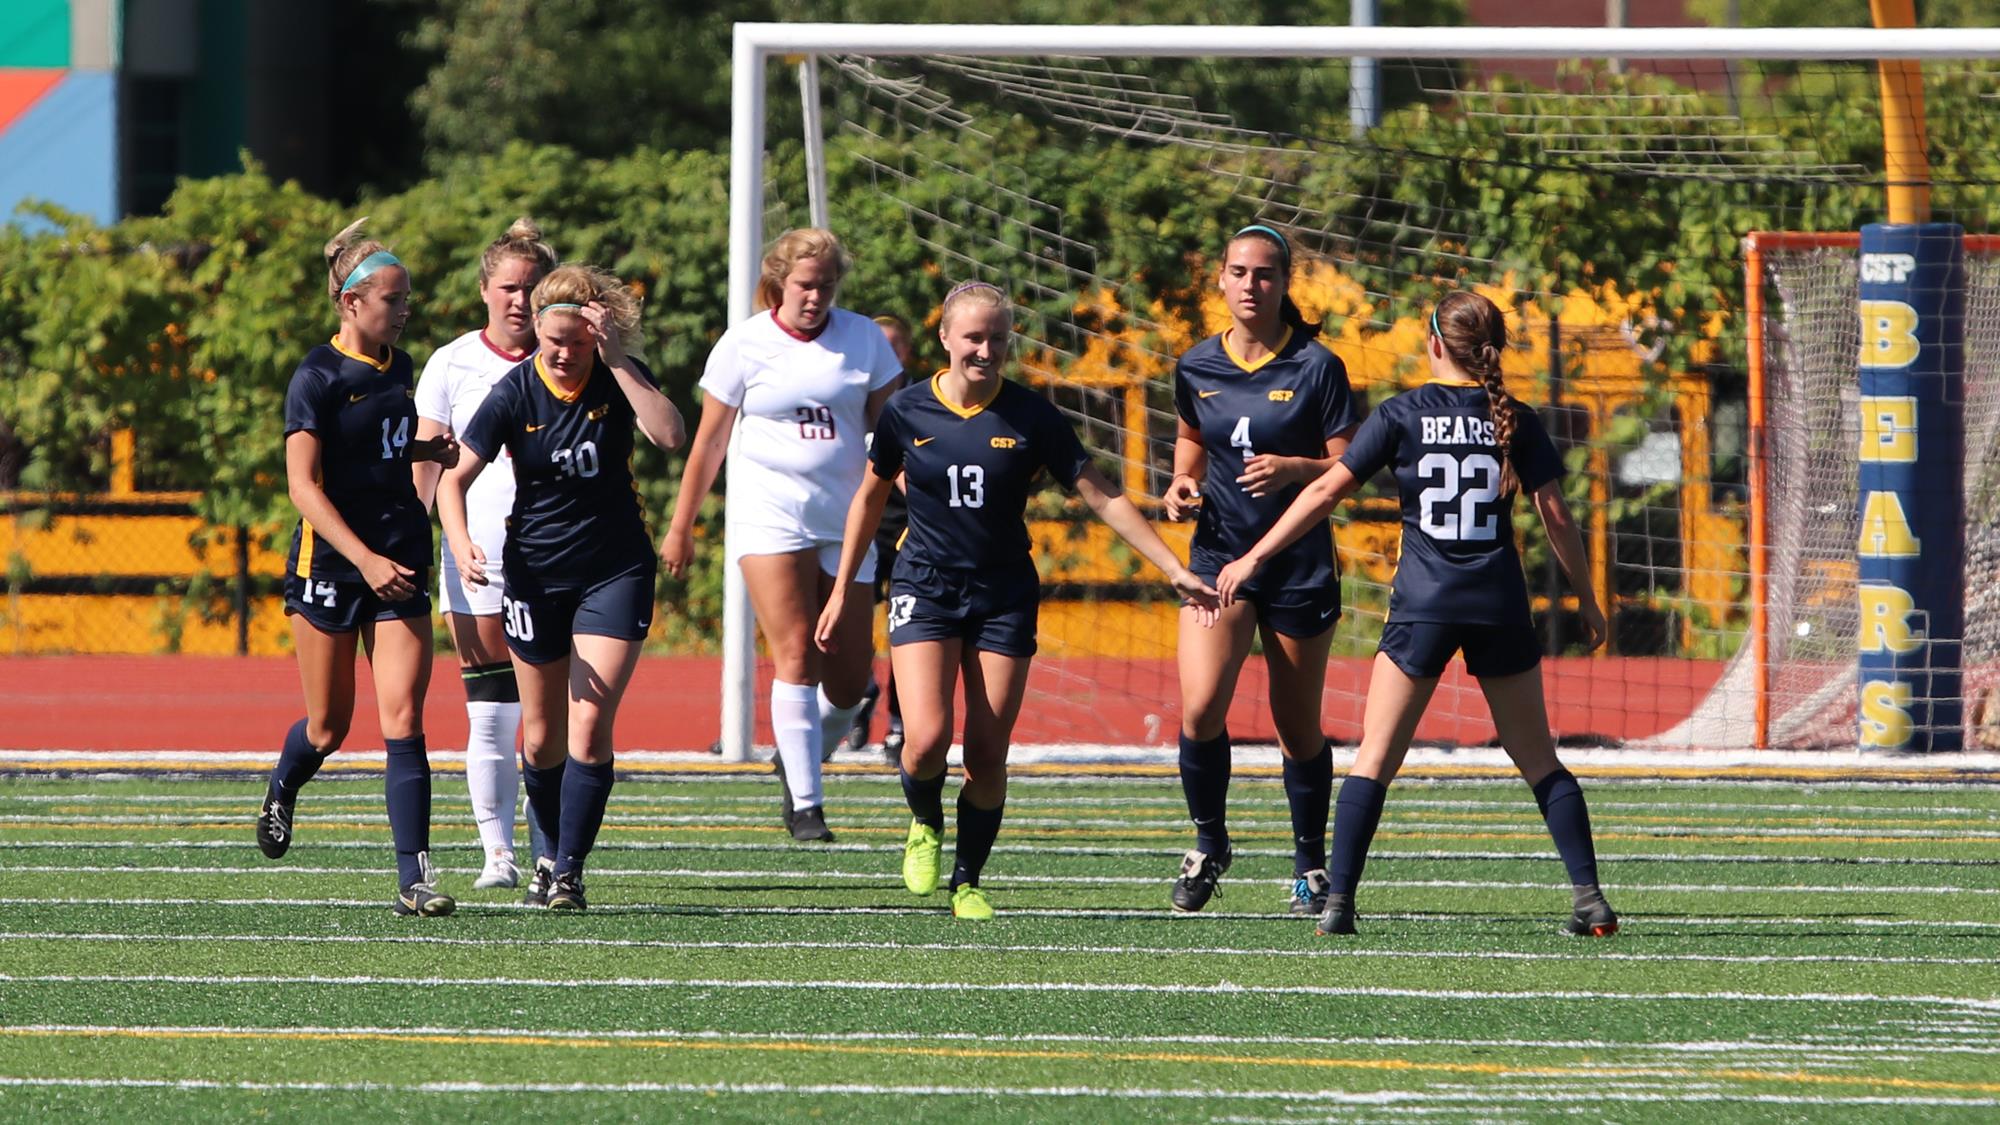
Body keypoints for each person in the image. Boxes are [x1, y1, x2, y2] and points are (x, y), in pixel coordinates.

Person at [1215, 289, 1617, 938]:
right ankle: (1590, 897)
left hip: (1424, 604)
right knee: (1540, 759)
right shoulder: (1514, 414)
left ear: (1433, 343)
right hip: (1498, 603)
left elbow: (1324, 490)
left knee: (1374, 757)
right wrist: (1589, 598)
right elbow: (1559, 518)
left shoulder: (1402, 412)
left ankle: (1338, 903)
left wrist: (1255, 555)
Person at [816, 281, 1219, 920]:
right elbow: (868, 497)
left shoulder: (1031, 415)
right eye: (972, 337)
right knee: (923, 741)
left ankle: (967, 882)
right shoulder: (906, 411)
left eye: (997, 338)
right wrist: (844, 589)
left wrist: (1172, 566)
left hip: (1002, 594)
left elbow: (1101, 493)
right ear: (945, 337)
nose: (985, 350)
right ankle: (925, 820)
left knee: (986, 752)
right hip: (925, 585)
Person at [438, 265, 685, 911]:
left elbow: (669, 434)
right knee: (542, 736)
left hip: (615, 568)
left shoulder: (615, 373)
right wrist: (461, 539)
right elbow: (452, 478)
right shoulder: (515, 390)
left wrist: (619, 360)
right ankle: (546, 853)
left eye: (578, 341)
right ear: (537, 336)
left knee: (589, 722)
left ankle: (567, 870)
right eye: (555, 342)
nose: (565, 353)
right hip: (534, 573)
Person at [661, 229, 901, 843]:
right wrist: (681, 525)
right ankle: (805, 804)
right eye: (804, 285)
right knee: (796, 651)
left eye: (825, 285)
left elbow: (891, 432)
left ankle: (795, 755)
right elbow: (710, 441)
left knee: (850, 680)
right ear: (778, 282)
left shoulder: (864, 340)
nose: (815, 296)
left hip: (846, 520)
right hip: (770, 515)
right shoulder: (745, 344)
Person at [256, 218, 460, 917]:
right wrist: (364, 559)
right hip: (334, 565)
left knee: (403, 716)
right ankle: (284, 783)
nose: (405, 311)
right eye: (394, 300)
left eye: (406, 300)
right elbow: (305, 485)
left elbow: (379, 451)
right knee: (329, 726)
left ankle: (415, 876)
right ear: (352, 302)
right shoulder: (315, 376)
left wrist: (427, 456)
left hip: (399, 553)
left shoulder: (400, 367)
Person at [1160, 224, 1358, 917]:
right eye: (1239, 272)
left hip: (1297, 564)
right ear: (1219, 279)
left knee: (1296, 724)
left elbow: (1348, 465)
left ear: (1284, 284)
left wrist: (1295, 468)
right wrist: (1181, 485)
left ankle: (1309, 864)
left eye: (1265, 273)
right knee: (1200, 705)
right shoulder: (1196, 366)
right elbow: (1190, 440)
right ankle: (1209, 841)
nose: (1251, 284)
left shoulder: (1317, 367)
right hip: (1217, 559)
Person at [412, 216, 559, 891]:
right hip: (477, 553)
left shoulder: (566, 356)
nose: (520, 301)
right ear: (484, 291)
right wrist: (435, 535)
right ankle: (496, 852)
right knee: (491, 706)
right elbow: (428, 462)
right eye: (508, 287)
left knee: (552, 714)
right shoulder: (452, 362)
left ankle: (552, 850)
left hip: (558, 556)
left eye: (532, 287)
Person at [844, 313, 916, 761]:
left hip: (911, 530)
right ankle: (858, 693)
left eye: (892, 346)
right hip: (858, 526)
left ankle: (898, 727)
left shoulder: (921, 400)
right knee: (844, 622)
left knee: (908, 632)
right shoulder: (847, 394)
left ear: (905, 352)